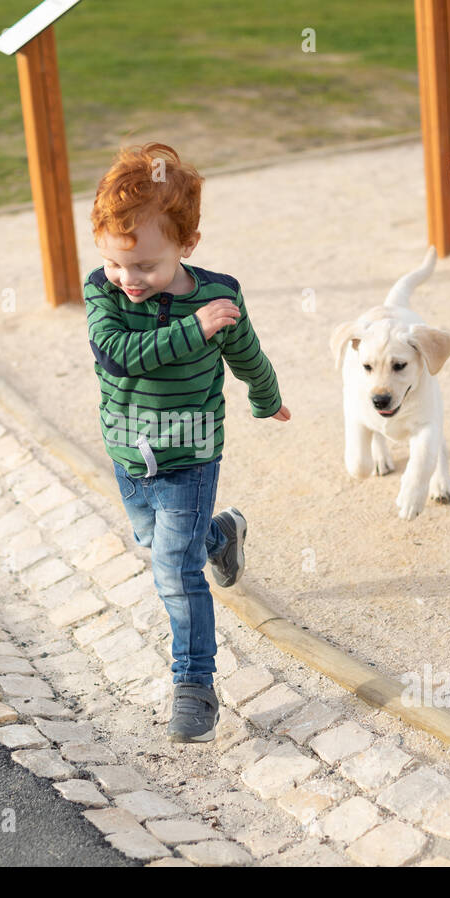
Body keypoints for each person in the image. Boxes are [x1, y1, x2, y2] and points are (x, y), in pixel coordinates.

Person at [84, 142, 290, 743]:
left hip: (191, 454)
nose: (129, 280)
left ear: (187, 245)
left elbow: (246, 352)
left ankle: (194, 684)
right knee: (156, 542)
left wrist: (264, 395)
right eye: (117, 263)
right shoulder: (104, 294)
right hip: (128, 455)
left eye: (145, 266)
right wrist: (189, 329)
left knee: (174, 572)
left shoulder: (218, 294)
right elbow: (118, 358)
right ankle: (221, 536)